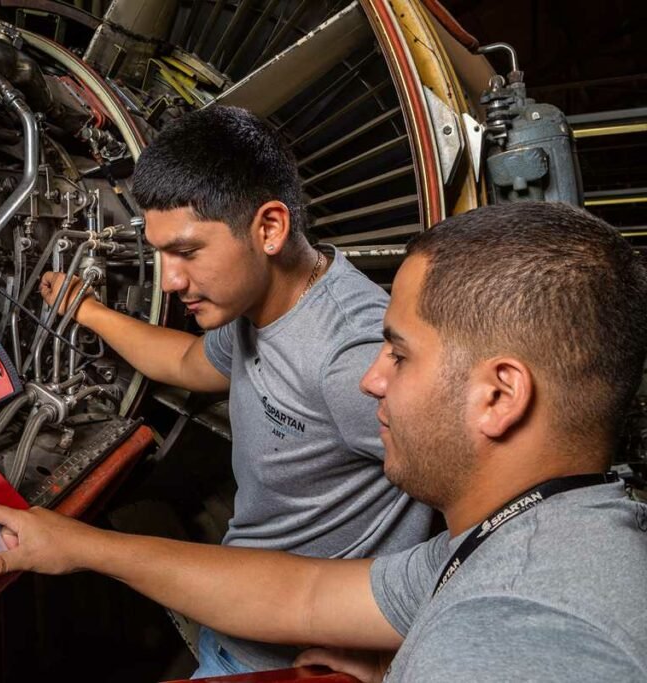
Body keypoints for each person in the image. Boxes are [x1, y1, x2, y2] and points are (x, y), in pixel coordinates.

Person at [0, 202, 647, 681]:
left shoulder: (512, 632)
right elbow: (304, 594)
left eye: (399, 355)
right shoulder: (530, 533)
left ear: (499, 395)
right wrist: (74, 544)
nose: (372, 380)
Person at [37, 105, 432, 674]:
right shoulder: (254, 308)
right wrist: (88, 311)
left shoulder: (353, 358)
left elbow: (479, 519)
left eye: (187, 252)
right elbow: (189, 360)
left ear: (269, 228)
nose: (171, 281)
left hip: (292, 665)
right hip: (236, 631)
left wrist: (400, 663)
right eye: (161, 254)